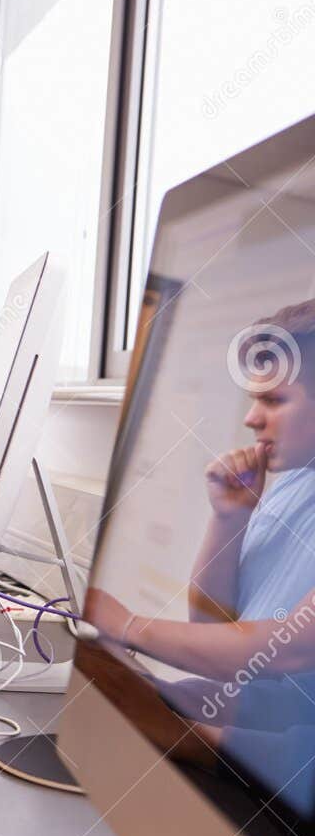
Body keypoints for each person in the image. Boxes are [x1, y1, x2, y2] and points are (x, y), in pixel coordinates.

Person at [83, 300, 315, 809]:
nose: (252, 419)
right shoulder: (291, 480)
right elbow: (213, 632)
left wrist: (130, 626)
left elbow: (295, 647)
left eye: (274, 400)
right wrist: (229, 520)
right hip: (263, 719)